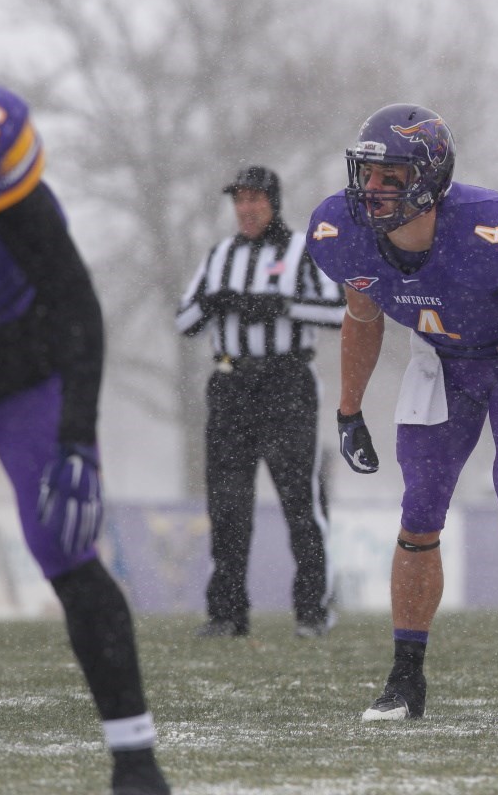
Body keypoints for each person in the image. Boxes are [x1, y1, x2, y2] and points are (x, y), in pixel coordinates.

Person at [0, 3, 169, 794]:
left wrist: (79, 437)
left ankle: (136, 760)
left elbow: (72, 293)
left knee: (65, 546)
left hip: (19, 374)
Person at [304, 103, 498, 725]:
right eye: (367, 174)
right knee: (420, 508)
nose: (371, 190)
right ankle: (405, 681)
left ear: (429, 179)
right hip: (443, 360)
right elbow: (363, 313)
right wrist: (349, 410)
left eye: (390, 177)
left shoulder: (491, 228)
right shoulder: (340, 231)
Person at [177, 165, 345, 639]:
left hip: (287, 381)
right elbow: (185, 320)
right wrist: (214, 302)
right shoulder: (219, 256)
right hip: (231, 383)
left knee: (300, 500)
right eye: (239, 201)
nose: (246, 210)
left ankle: (313, 611)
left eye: (255, 200)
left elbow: (339, 310)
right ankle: (227, 613)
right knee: (227, 504)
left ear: (273, 203)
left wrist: (279, 305)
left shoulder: (303, 251)